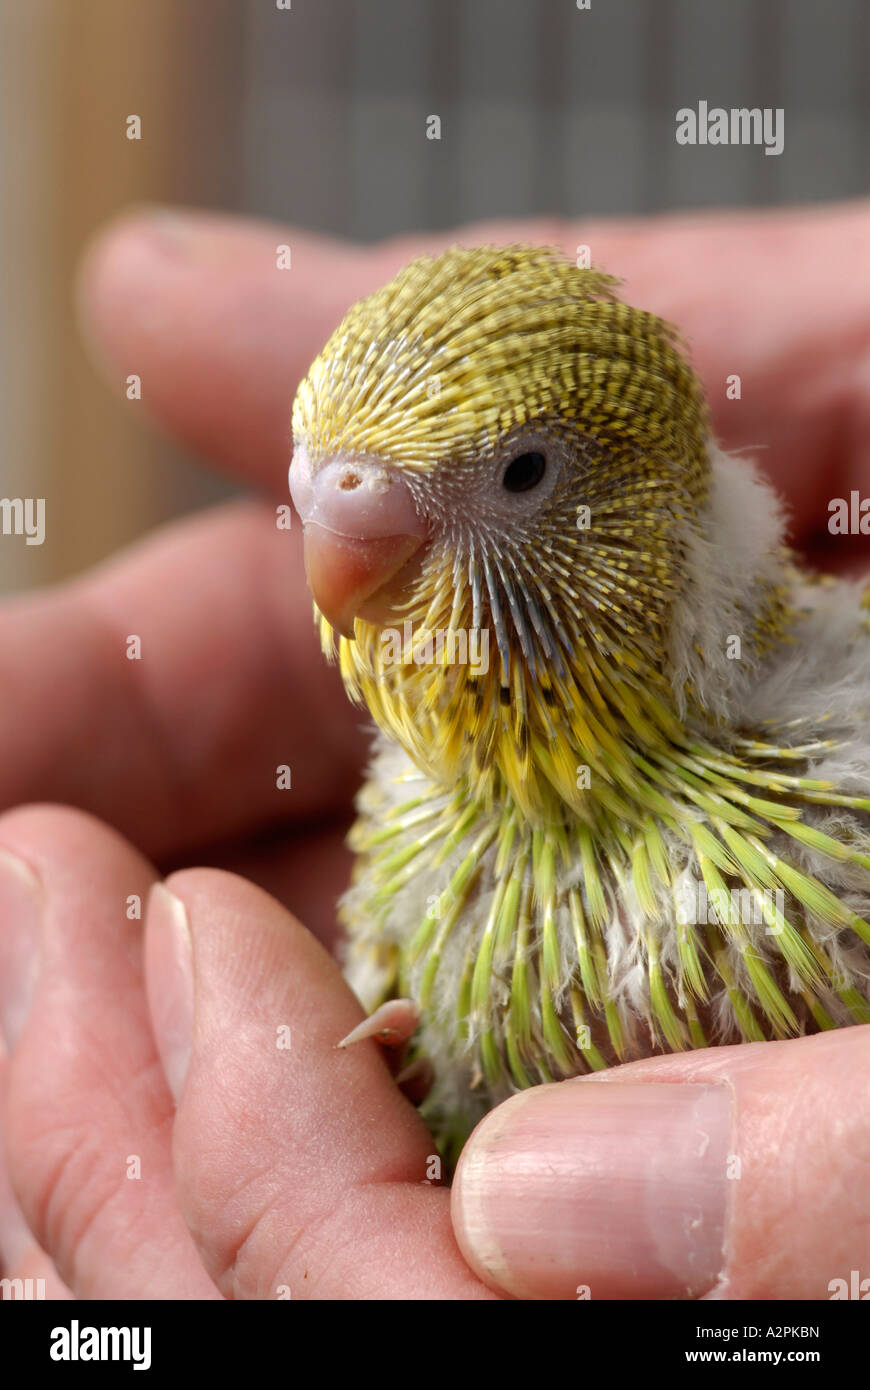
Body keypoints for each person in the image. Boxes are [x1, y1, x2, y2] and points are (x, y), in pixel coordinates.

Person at [0, 203, 868, 1301]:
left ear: (661, 514)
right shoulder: (409, 838)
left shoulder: (844, 764)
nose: (349, 574)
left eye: (520, 479)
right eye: (326, 495)